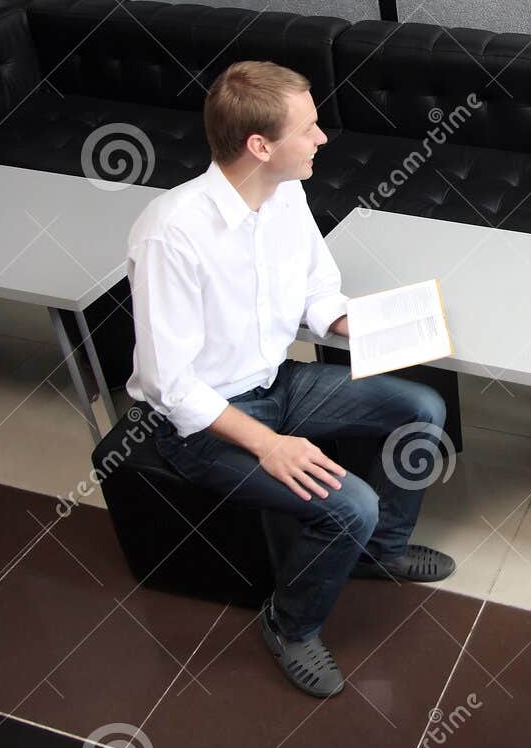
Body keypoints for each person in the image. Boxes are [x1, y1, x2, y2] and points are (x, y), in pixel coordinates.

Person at [125, 60, 456, 701]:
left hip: (279, 383)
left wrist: (348, 320)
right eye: (308, 127)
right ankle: (290, 623)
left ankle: (380, 551)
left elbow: (314, 288)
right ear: (260, 146)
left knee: (421, 406)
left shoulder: (286, 195)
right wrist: (268, 445)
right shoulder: (171, 233)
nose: (322, 138)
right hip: (200, 424)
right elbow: (169, 382)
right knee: (348, 503)